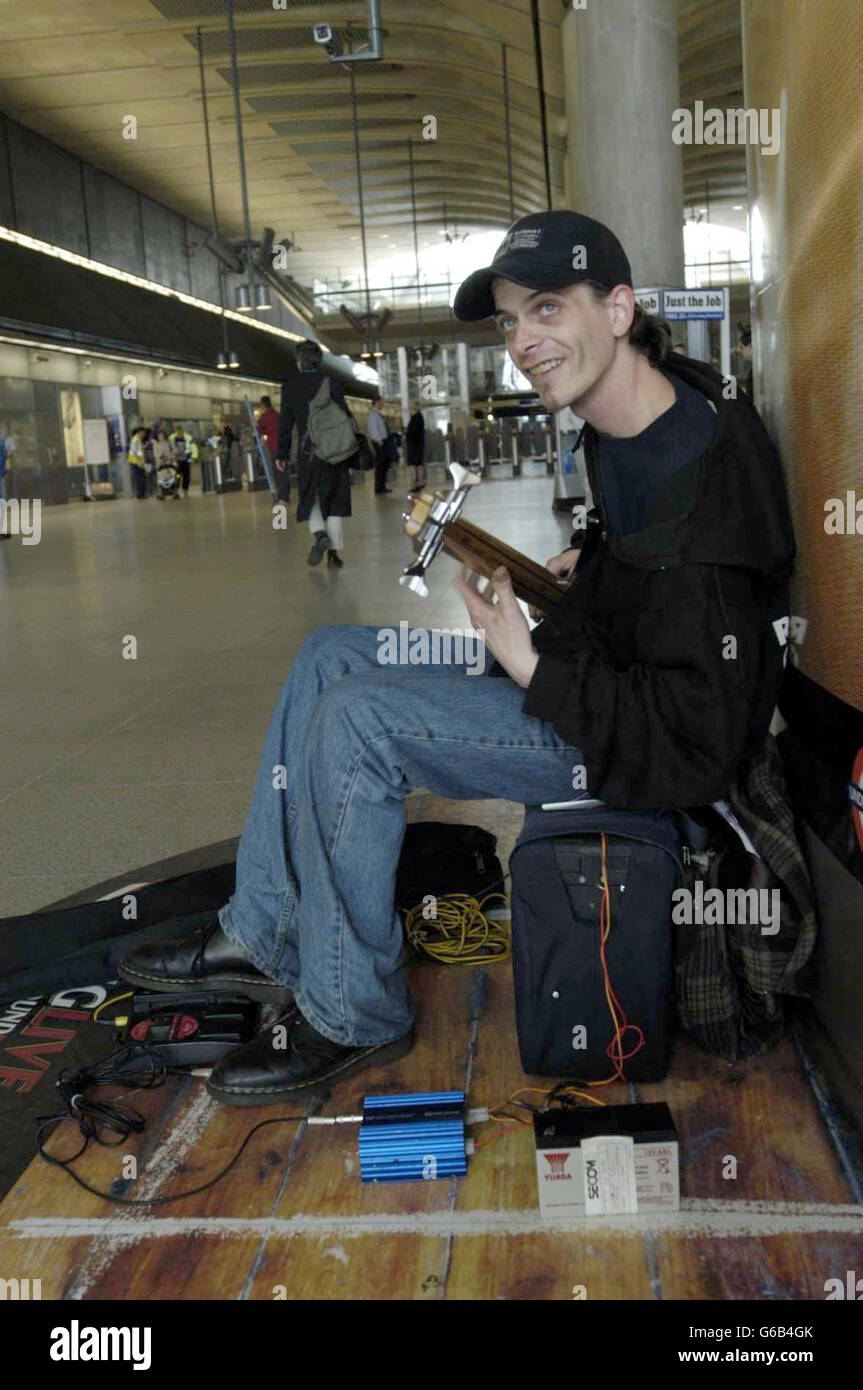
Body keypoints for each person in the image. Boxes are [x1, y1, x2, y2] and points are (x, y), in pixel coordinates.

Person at [119, 209, 795, 1107]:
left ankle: (354, 1010)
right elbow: (637, 571)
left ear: (620, 307)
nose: (523, 341)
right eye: (512, 321)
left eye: (547, 310)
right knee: (330, 654)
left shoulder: (704, 505)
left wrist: (526, 664)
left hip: (633, 747)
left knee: (359, 722)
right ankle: (267, 928)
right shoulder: (626, 412)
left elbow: (695, 740)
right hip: (589, 668)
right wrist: (586, 565)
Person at [275, 339, 357, 568]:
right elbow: (344, 416)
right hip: (335, 452)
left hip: (308, 452)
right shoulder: (333, 383)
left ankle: (320, 535)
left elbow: (285, 422)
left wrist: (281, 453)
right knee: (334, 502)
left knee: (311, 497)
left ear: (300, 361)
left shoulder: (290, 385)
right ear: (318, 360)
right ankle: (334, 555)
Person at [257, 394, 283, 498]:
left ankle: (280, 494)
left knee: (277, 471)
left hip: (273, 446)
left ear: (263, 405)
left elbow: (259, 427)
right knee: (282, 469)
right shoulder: (276, 413)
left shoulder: (266, 415)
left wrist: (256, 426)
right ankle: (284, 493)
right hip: (281, 445)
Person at [367, 396, 391, 494]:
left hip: (382, 441)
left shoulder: (377, 414)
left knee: (384, 465)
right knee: (380, 465)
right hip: (379, 442)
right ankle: (379, 488)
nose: (383, 404)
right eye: (382, 402)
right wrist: (379, 441)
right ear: (377, 402)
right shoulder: (373, 415)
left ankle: (382, 486)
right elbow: (374, 429)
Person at [405, 402, 426, 489]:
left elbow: (412, 433)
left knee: (412, 464)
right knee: (419, 464)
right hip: (419, 445)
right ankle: (420, 482)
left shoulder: (414, 419)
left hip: (413, 445)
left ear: (413, 409)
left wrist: (406, 433)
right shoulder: (420, 417)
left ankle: (414, 483)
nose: (409, 411)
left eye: (410, 409)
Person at [170, 425, 190, 496]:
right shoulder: (173, 439)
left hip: (185, 460)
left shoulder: (186, 439)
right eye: (177, 431)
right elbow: (172, 449)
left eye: (180, 430)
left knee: (186, 475)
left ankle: (185, 489)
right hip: (178, 461)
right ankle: (177, 488)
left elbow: (189, 448)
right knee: (178, 475)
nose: (179, 432)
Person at [127, 427, 148, 499]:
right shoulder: (136, 439)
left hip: (138, 462)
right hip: (136, 462)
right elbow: (134, 451)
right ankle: (141, 494)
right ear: (140, 432)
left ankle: (140, 494)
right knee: (141, 478)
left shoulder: (137, 439)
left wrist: (143, 447)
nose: (144, 434)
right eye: (143, 433)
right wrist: (138, 462)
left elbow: (138, 450)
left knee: (141, 478)